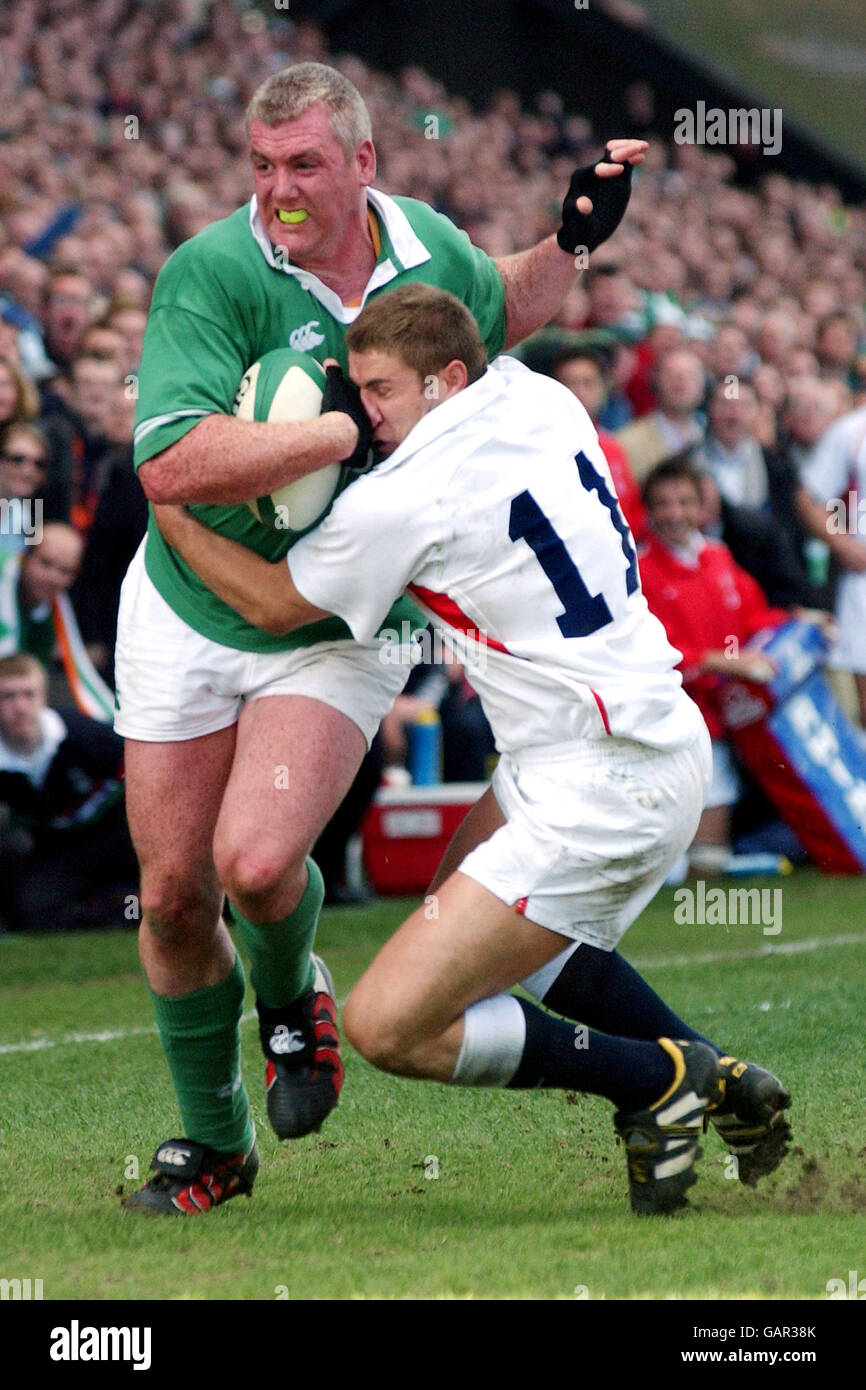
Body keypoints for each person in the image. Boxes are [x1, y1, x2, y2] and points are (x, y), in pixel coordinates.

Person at [118, 59, 648, 1216]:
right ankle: (215, 1143)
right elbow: (168, 461)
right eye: (261, 167)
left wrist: (570, 241)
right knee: (169, 895)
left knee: (253, 865)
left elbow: (499, 307)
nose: (280, 191)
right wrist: (334, 435)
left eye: (304, 164)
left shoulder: (424, 247)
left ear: (364, 162)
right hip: (187, 594)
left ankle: (293, 999)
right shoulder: (210, 271)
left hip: (334, 617)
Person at [154, 284, 791, 1217]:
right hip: (624, 734)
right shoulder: (539, 394)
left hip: (601, 777)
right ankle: (717, 1076)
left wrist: (171, 502)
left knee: (386, 1023)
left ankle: (653, 1082)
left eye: (376, 390)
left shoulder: (410, 498)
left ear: (446, 382)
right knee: (467, 923)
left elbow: (271, 602)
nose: (356, 416)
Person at [0, 653, 137, 932]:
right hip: (59, 850)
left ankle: (136, 906)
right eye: (8, 696)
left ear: (44, 698)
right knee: (37, 911)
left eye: (28, 694)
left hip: (121, 836)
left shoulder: (82, 734)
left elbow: (141, 774)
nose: (19, 707)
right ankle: (132, 909)